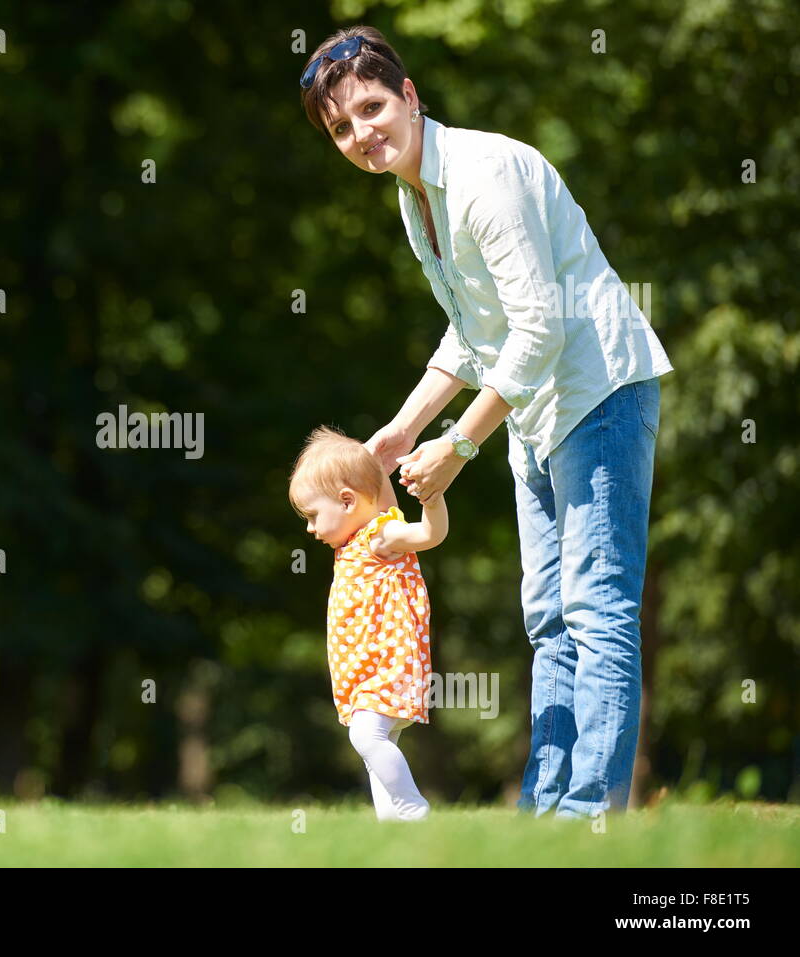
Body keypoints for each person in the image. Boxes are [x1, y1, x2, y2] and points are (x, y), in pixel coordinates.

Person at [298, 26, 673, 818]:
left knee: (596, 608)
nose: (362, 133)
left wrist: (459, 444)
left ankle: (589, 818)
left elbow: (538, 326)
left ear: (409, 96)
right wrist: (403, 431)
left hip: (597, 390)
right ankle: (545, 814)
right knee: (547, 617)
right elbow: (477, 332)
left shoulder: (484, 174)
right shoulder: (414, 199)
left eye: (371, 107)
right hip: (529, 407)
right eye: (341, 127)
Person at [288, 425, 448, 821]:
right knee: (375, 743)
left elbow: (429, 534)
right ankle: (393, 823)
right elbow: (378, 491)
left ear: (345, 502)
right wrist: (374, 462)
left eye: (311, 515)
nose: (309, 528)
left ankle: (412, 807)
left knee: (366, 736)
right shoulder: (355, 541)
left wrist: (432, 499)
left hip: (391, 666)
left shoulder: (380, 537)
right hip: (366, 672)